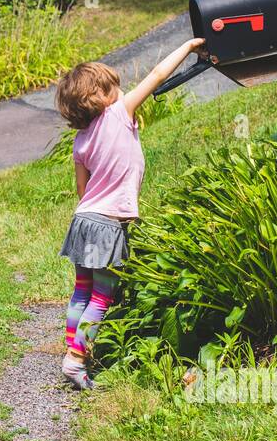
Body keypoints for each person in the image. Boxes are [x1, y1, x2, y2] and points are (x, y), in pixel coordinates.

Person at [53, 38, 206, 388]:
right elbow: (157, 74)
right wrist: (188, 45)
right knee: (102, 296)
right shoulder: (118, 114)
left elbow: (82, 190)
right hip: (107, 226)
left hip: (84, 220)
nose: (122, 90)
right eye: (115, 86)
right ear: (102, 96)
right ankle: (76, 361)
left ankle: (72, 348)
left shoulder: (81, 140)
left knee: (82, 289)